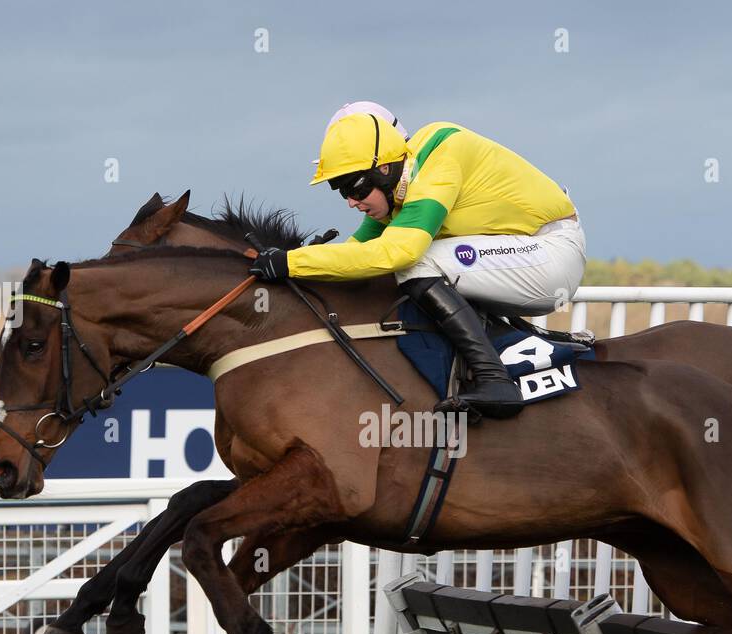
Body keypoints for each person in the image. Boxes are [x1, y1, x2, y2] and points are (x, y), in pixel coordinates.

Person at [250, 113, 585, 419]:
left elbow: (397, 253)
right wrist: (298, 265)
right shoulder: (399, 190)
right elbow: (357, 252)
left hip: (552, 254)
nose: (352, 202)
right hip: (525, 254)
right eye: (341, 193)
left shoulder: (440, 158)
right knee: (408, 263)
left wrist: (290, 262)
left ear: (384, 169)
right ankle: (524, 341)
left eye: (355, 187)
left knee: (416, 260)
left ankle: (495, 380)